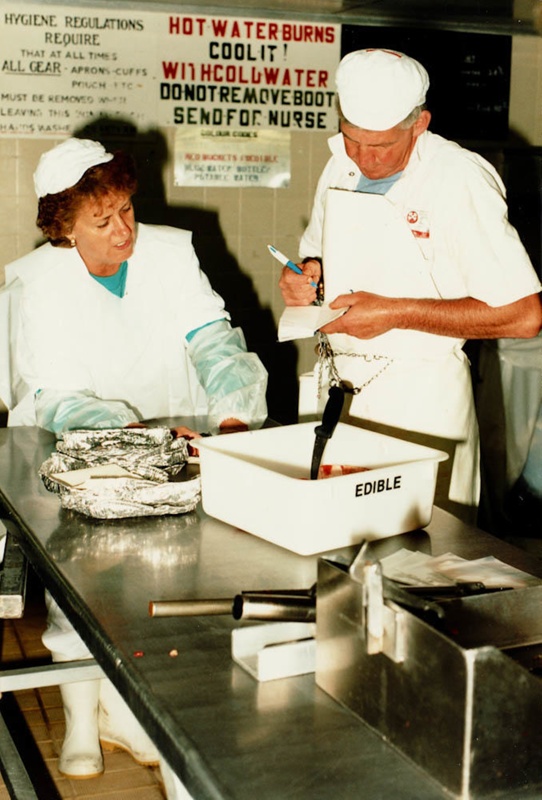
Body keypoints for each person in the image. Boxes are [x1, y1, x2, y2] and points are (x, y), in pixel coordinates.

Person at [2, 137, 268, 789]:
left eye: (126, 209)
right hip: (75, 453)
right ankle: (83, 721)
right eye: (103, 219)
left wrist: (232, 407)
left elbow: (216, 344)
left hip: (176, 446)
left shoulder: (172, 253)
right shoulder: (34, 283)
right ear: (63, 225)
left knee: (162, 586)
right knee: (82, 589)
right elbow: (57, 396)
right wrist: (130, 434)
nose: (123, 230)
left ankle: (131, 713)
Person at [279, 48, 542, 517]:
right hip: (339, 389)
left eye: (379, 146)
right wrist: (306, 278)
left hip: (420, 403)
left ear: (419, 123)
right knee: (330, 536)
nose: (363, 158)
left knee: (419, 559)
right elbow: (315, 257)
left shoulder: (458, 178)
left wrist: (396, 313)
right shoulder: (341, 162)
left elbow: (523, 316)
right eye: (352, 138)